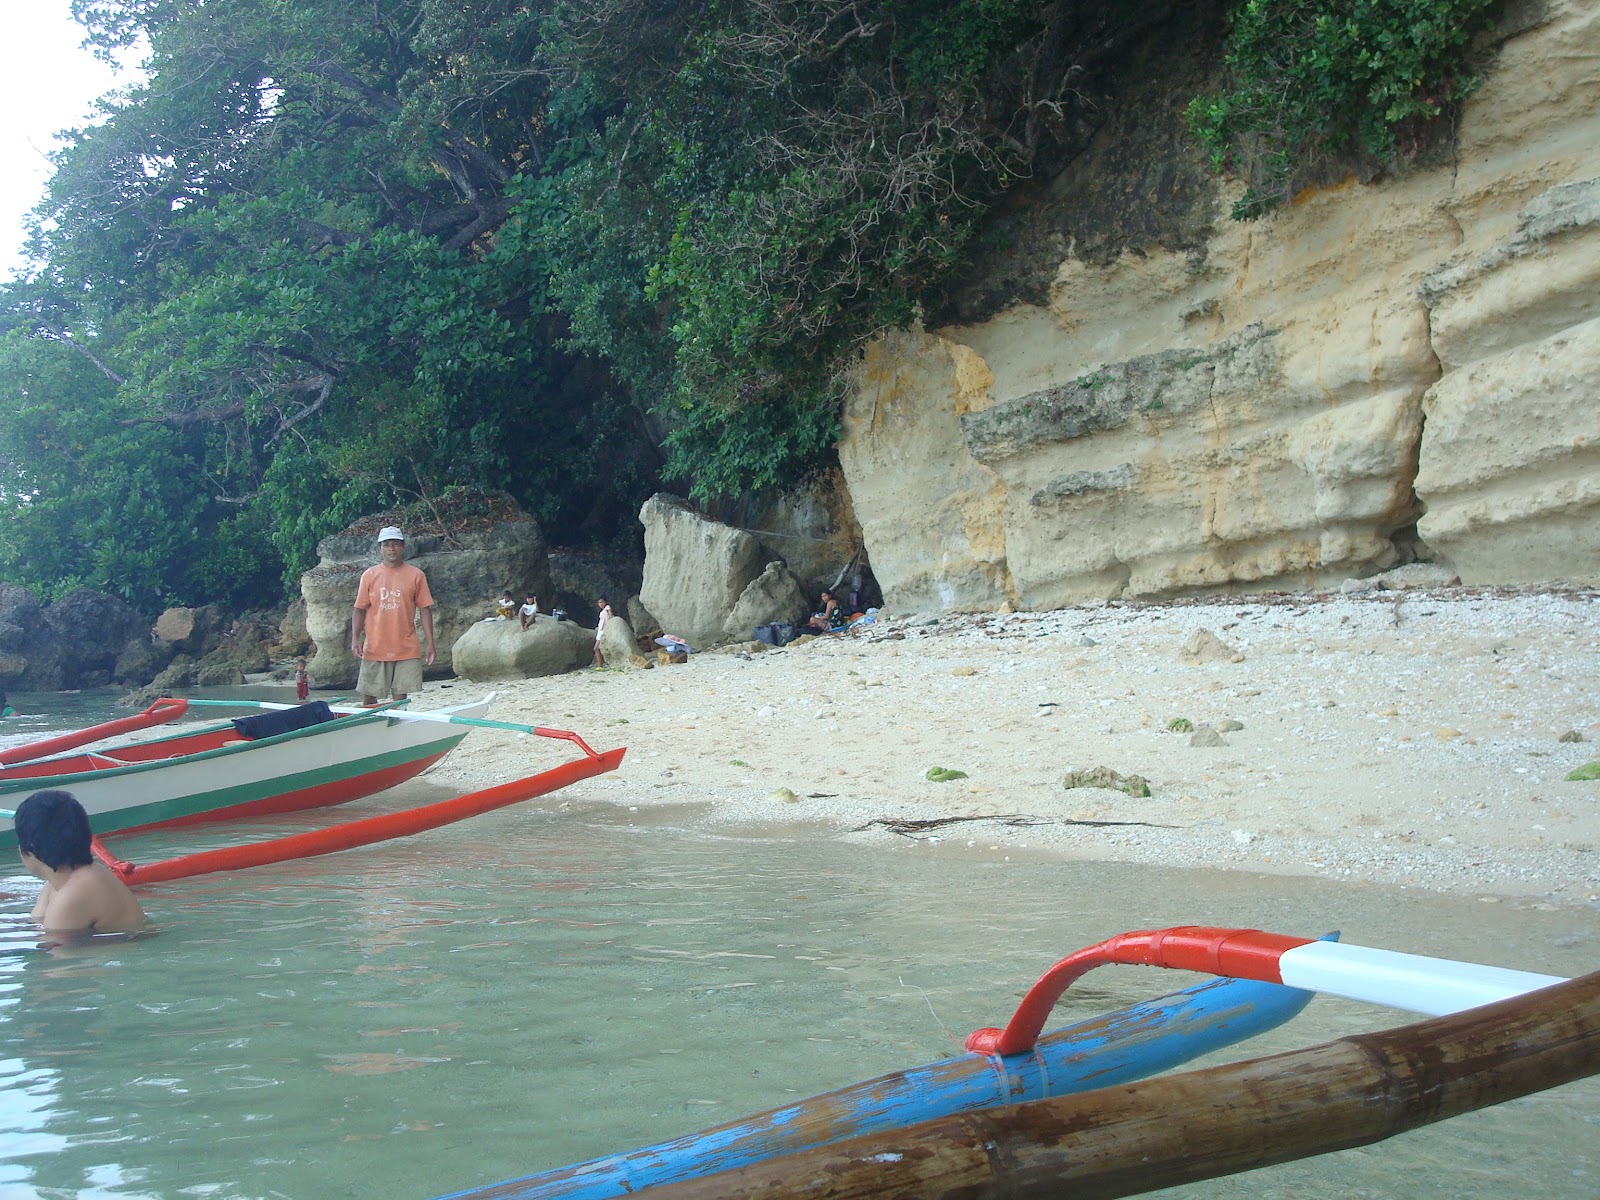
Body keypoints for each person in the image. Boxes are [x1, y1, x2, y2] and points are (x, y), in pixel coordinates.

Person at [14, 790, 146, 936]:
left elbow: (51, 946)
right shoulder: (61, 881)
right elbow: (36, 922)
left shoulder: (73, 894)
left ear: (30, 847)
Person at [350, 526, 437, 706]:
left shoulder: (416, 575)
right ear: (380, 549)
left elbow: (425, 609)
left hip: (406, 647)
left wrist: (430, 643)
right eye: (387, 545)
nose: (391, 549)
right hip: (375, 646)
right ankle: (371, 723)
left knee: (400, 698)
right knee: (369, 697)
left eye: (395, 544)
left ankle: (396, 722)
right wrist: (355, 638)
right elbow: (359, 609)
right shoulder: (369, 575)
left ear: (403, 547)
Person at [592, 596, 613, 667]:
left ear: (605, 602)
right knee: (597, 648)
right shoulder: (602, 611)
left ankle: (600, 665)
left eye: (602, 602)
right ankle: (601, 663)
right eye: (599, 602)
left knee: (596, 648)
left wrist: (610, 624)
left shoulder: (607, 607)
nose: (601, 604)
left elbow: (610, 615)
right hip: (600, 630)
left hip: (604, 630)